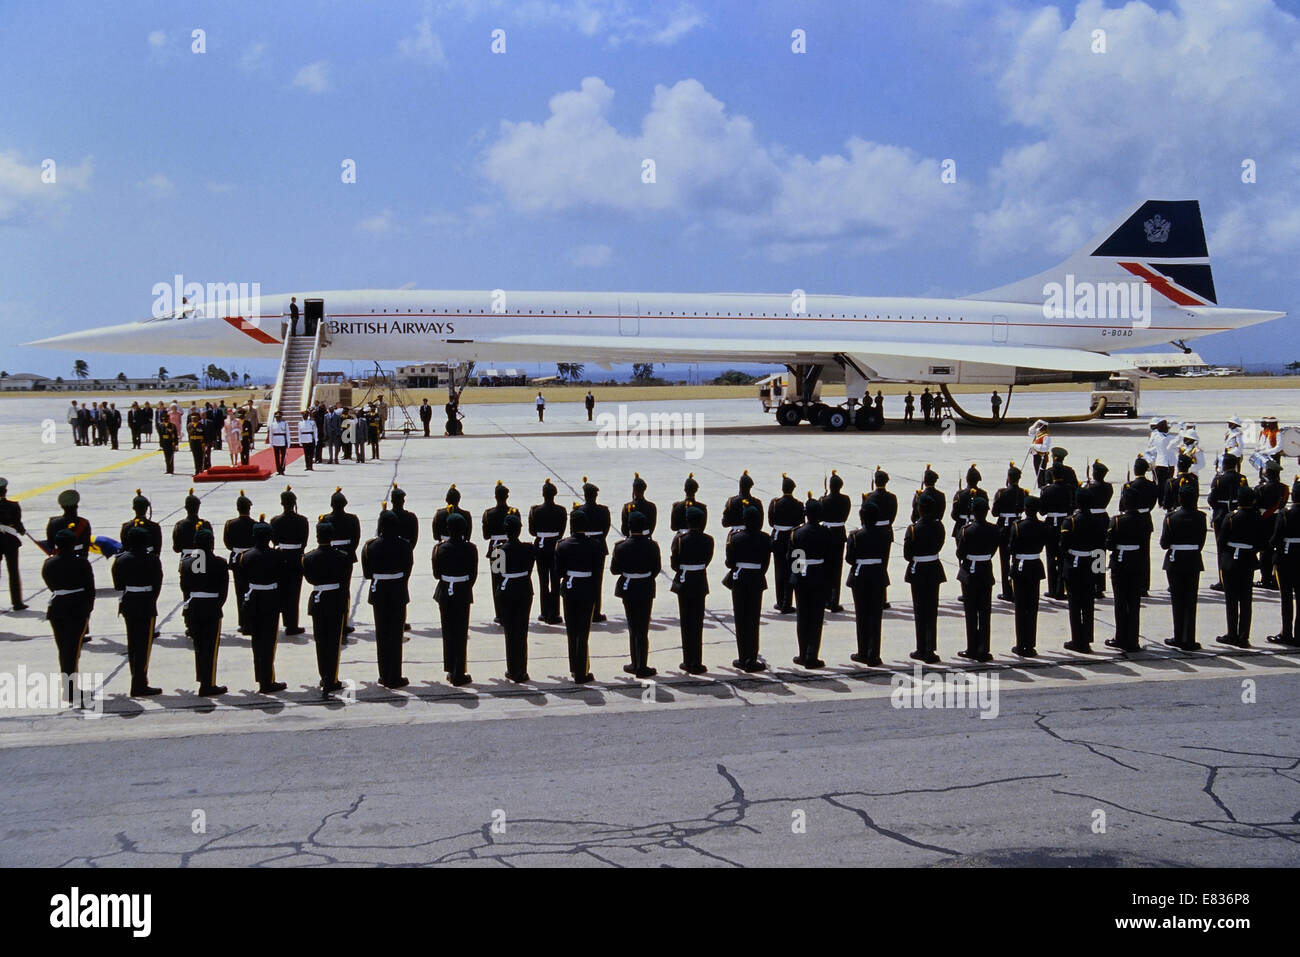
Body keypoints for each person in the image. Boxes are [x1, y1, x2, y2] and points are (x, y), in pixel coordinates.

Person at [41, 527, 95, 707]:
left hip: (57, 608)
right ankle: (70, 690)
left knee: (63, 648)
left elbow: (50, 585)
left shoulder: (49, 563)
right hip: (76, 608)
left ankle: (68, 687)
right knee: (72, 650)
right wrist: (88, 609)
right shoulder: (81, 563)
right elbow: (90, 589)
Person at [361, 510, 414, 688]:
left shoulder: (371, 547)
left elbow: (368, 574)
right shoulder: (404, 545)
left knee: (382, 634)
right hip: (397, 590)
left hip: (380, 592)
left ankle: (383, 674)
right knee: (396, 634)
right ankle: (395, 675)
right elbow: (407, 570)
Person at [112, 523, 163, 696]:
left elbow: (118, 585)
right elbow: (157, 584)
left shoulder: (121, 560)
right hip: (146, 603)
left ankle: (137, 678)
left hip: (128, 603)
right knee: (143, 646)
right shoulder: (152, 559)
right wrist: (151, 599)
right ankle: (139, 683)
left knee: (132, 643)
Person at [302, 518, 351, 696]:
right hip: (335, 601)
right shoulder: (342, 558)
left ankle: (324, 676)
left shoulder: (308, 558)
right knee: (333, 642)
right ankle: (332, 678)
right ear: (331, 536)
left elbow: (309, 579)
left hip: (318, 601)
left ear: (317, 536)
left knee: (320, 642)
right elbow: (345, 583)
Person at [236, 518, 285, 693]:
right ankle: (267, 680)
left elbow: (241, 583)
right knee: (268, 641)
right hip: (270, 599)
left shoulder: (245, 557)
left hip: (254, 599)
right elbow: (282, 580)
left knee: (257, 642)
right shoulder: (277, 555)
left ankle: (261, 678)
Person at [611, 509, 661, 678]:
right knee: (643, 628)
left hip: (629, 588)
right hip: (645, 587)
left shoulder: (621, 547)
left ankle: (635, 663)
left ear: (628, 527)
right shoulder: (652, 546)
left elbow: (614, 570)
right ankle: (642, 664)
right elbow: (656, 569)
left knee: (633, 627)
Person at [180, 525, 228, 696]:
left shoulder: (186, 563)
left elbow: (184, 588)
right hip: (211, 608)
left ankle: (202, 679)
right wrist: (215, 605)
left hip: (194, 608)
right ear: (212, 543)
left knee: (198, 646)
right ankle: (208, 684)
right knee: (210, 647)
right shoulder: (220, 563)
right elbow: (223, 593)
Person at [1217, 487, 1266, 648]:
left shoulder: (1231, 517)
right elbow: (1262, 543)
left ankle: (1232, 634)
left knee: (1231, 600)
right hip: (1247, 560)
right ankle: (1244, 636)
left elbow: (1221, 541)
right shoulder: (1257, 518)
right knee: (1246, 600)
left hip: (1231, 560)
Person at [432, 512, 477, 685]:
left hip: (445, 591)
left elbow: (437, 574)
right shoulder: (470, 548)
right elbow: (472, 575)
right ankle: (459, 671)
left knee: (448, 632)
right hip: (462, 591)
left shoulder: (439, 549)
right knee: (460, 632)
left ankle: (451, 669)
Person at [556, 508, 600, 683]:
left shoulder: (563, 545)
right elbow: (597, 574)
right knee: (583, 632)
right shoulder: (594, 545)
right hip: (587, 589)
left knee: (572, 631)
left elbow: (558, 571)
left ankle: (575, 667)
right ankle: (582, 671)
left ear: (571, 525)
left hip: (570, 588)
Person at [1058, 488, 1105, 653]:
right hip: (1091, 564)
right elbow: (1101, 547)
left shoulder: (1070, 522)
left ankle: (1077, 639)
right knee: (1088, 604)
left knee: (1075, 604)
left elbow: (1063, 546)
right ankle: (1086, 638)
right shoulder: (1098, 521)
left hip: (1075, 565)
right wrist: (1099, 573)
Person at [725, 505, 770, 671]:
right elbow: (765, 564)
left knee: (741, 619)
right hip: (756, 578)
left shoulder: (735, 538)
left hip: (740, 578)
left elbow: (730, 562)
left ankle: (743, 657)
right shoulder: (765, 538)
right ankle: (752, 657)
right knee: (753, 620)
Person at [1161, 484, 1207, 651]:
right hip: (1193, 559)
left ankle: (1179, 636)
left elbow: (1164, 543)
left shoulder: (1171, 518)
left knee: (1177, 600)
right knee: (1190, 600)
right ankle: (1190, 638)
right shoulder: (1201, 517)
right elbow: (1201, 542)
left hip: (1176, 560)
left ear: (1180, 498)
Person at [790, 496, 832, 667]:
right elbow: (830, 559)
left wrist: (799, 577)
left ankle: (802, 654)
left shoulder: (797, 533)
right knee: (816, 618)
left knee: (803, 617)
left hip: (802, 577)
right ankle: (812, 655)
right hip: (820, 576)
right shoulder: (826, 533)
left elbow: (793, 561)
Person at [845, 497, 888, 665]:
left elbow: (849, 559)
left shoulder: (856, 536)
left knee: (862, 615)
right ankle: (874, 654)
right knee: (876, 617)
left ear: (862, 517)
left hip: (860, 576)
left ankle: (863, 651)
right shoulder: (884, 535)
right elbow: (884, 557)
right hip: (877, 575)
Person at [903, 490, 945, 663]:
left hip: (919, 570)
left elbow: (907, 554)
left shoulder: (913, 529)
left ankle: (922, 648)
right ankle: (930, 648)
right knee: (931, 610)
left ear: (920, 509)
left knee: (920, 611)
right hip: (933, 569)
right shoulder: (939, 526)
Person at [670, 504, 712, 674]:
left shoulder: (680, 540)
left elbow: (675, 564)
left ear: (687, 521)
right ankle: (697, 661)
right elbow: (707, 561)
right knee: (698, 623)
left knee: (686, 623)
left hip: (685, 581)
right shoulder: (708, 539)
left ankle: (688, 660)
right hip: (700, 581)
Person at [955, 497, 997, 662]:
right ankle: (984, 648)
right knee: (985, 612)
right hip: (985, 570)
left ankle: (972, 648)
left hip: (970, 573)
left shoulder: (966, 530)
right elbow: (993, 550)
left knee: (971, 612)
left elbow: (960, 553)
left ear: (973, 512)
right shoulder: (994, 529)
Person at [497, 512, 537, 682]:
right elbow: (529, 569)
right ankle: (522, 669)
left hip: (507, 590)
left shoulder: (499, 550)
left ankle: (512, 669)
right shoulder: (529, 548)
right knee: (522, 631)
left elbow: (496, 573)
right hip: (524, 588)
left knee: (510, 632)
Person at [1105, 497, 1147, 653]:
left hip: (1121, 563)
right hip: (1136, 562)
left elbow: (1109, 544)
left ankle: (1121, 637)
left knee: (1121, 602)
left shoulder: (1117, 521)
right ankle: (1133, 639)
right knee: (1134, 603)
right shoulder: (1144, 521)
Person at [1007, 498, 1047, 656]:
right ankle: (1030, 645)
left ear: (1025, 509)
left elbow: (1011, 547)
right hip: (1035, 566)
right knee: (1032, 607)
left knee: (1021, 607)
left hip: (1021, 567)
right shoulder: (1043, 526)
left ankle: (1021, 643)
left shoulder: (1018, 526)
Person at [1207, 452, 1249, 592]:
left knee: (1222, 549)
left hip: (1222, 515)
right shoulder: (1242, 478)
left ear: (1224, 465)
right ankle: (1238, 577)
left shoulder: (1218, 479)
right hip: (1239, 515)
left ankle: (1223, 580)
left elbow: (1211, 500)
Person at [270, 486, 308, 636]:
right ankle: (292, 624)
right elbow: (303, 542)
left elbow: (274, 540)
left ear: (282, 504)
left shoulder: (275, 521)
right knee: (293, 592)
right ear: (294, 503)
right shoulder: (302, 521)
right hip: (296, 558)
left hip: (280, 557)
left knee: (280, 591)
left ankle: (281, 621)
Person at [1267, 477, 1300, 647]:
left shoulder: (1285, 514)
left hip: (1286, 558)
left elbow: (1275, 538)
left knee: (1286, 597)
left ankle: (1286, 632)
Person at [1120, 456, 1160, 598]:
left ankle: (1133, 583)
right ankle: (1144, 585)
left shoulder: (1129, 486)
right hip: (1145, 520)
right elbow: (1153, 504)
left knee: (1131, 552)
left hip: (1131, 520)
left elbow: (1121, 506)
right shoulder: (1152, 485)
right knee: (1144, 554)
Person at [572, 479, 611, 623]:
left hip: (582, 545)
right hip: (599, 545)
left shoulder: (578, 511)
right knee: (597, 580)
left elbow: (574, 530)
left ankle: (584, 609)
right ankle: (596, 612)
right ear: (595, 496)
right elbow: (606, 529)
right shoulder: (603, 510)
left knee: (583, 578)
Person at [529, 479, 566, 624]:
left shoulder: (535, 510)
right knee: (555, 580)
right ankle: (555, 613)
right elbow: (561, 532)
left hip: (541, 546)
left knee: (543, 581)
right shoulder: (561, 510)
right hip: (555, 546)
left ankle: (544, 612)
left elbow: (532, 531)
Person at [325, 488, 361, 636]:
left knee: (331, 588)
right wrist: (348, 552)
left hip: (330, 556)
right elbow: (356, 539)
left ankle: (331, 619)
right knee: (344, 589)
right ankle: (343, 622)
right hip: (346, 557)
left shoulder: (325, 519)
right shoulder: (352, 519)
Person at [1039, 460, 1075, 600]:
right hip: (1064, 524)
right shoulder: (1069, 489)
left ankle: (1052, 589)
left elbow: (1042, 511)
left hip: (1050, 525)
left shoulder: (1046, 490)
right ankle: (1061, 589)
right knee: (1063, 557)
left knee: (1050, 557)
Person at [768, 474, 804, 614]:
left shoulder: (775, 503)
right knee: (793, 568)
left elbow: (771, 522)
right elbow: (800, 521)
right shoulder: (798, 504)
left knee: (780, 570)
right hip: (792, 538)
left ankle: (780, 601)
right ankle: (789, 602)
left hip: (778, 539)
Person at [482, 481, 516, 623]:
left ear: (495, 497)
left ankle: (500, 613)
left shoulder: (489, 514)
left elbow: (486, 536)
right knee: (509, 577)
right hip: (510, 547)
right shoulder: (514, 512)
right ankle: (509, 609)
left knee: (497, 580)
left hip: (497, 550)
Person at [992, 464, 1027, 602]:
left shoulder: (1002, 493)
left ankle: (1007, 591)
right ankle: (1017, 588)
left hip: (1005, 528)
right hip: (1017, 526)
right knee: (1016, 558)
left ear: (1009, 478)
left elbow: (994, 513)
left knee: (1005, 561)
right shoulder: (1023, 492)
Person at [224, 491, 257, 635]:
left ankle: (243, 622)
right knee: (252, 590)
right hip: (252, 559)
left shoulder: (230, 524)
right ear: (249, 509)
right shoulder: (255, 525)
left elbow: (228, 543)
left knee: (240, 592)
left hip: (237, 559)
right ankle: (252, 621)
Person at [865, 467, 898, 610]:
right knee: (883, 566)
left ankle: (872, 595)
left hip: (872, 531)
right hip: (885, 532)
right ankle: (883, 598)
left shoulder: (869, 497)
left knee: (872, 565)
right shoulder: (892, 497)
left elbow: (864, 515)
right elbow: (892, 517)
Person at [819, 471, 851, 613]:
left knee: (826, 568)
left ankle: (825, 598)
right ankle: (834, 600)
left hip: (826, 534)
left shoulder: (823, 500)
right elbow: (845, 516)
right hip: (838, 534)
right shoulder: (846, 499)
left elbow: (820, 516)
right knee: (836, 569)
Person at [1254, 460, 1287, 589]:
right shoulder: (1284, 488)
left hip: (1264, 521)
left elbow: (1256, 505)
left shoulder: (1261, 488)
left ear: (1267, 472)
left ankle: (1265, 578)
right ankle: (1275, 577)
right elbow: (1282, 504)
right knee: (1277, 549)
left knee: (1265, 551)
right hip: (1277, 519)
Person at [1086, 460, 1114, 598]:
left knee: (1091, 552)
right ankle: (1099, 585)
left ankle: (1091, 582)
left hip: (1091, 519)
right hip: (1103, 518)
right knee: (1100, 552)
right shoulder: (1108, 487)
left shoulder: (1089, 488)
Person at [0, 478, 28, 610]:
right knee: (13, 571)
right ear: (5, 491)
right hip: (10, 541)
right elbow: (18, 525)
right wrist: (22, 530)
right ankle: (17, 602)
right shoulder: (13, 505)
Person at [45, 489, 91, 561]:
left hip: (59, 559)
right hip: (79, 559)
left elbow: (50, 545)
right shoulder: (84, 523)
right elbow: (86, 545)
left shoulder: (53, 523)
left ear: (62, 507)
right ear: (76, 506)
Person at [950, 464, 989, 540]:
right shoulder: (983, 494)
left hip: (961, 525)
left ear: (967, 479)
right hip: (979, 526)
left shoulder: (959, 494)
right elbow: (985, 513)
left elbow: (954, 515)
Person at [120, 489, 162, 557]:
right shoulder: (154, 527)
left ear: (133, 508)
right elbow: (157, 550)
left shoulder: (126, 527)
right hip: (149, 561)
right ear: (146, 508)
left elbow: (125, 547)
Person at [620, 473, 658, 539]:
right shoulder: (652, 506)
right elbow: (652, 527)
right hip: (647, 539)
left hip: (631, 539)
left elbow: (624, 530)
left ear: (634, 490)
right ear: (644, 489)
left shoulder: (627, 507)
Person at [1029, 419, 1052, 488]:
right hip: (1036, 455)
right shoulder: (1038, 434)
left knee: (1041, 472)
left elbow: (1045, 448)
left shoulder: (1046, 436)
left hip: (1041, 456)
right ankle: (1040, 484)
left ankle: (1042, 485)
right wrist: (1036, 423)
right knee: (1037, 471)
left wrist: (1034, 446)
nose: (1037, 427)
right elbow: (1030, 431)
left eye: (1039, 426)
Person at [268, 411, 290, 475]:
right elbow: (271, 434)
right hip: (275, 441)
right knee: (276, 457)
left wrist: (288, 442)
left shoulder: (285, 424)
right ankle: (278, 469)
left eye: (279, 417)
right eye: (276, 417)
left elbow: (287, 433)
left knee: (283, 456)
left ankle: (282, 469)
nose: (278, 418)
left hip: (282, 441)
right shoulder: (272, 424)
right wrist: (271, 443)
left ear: (281, 417)